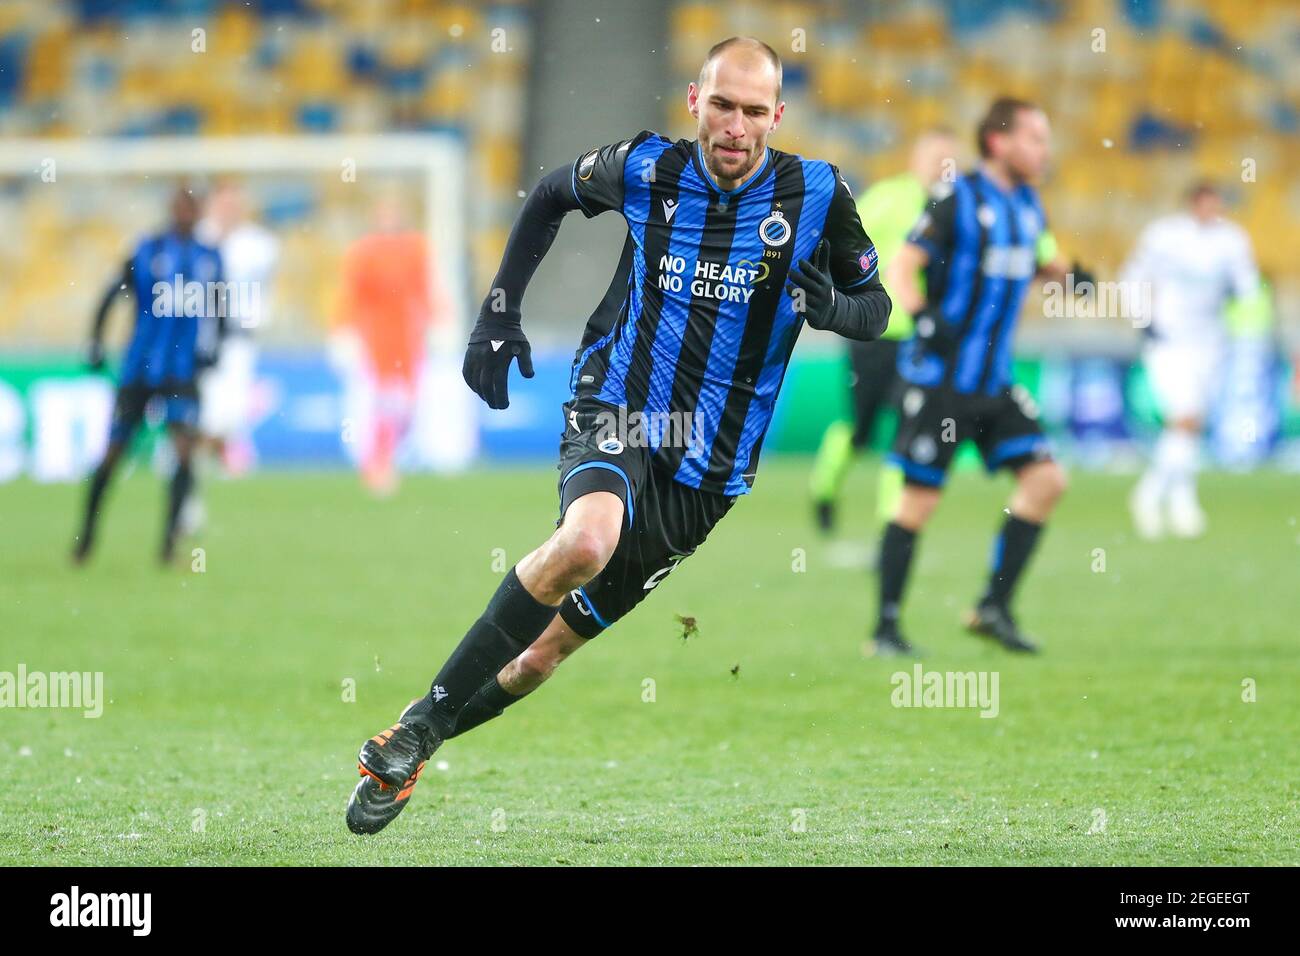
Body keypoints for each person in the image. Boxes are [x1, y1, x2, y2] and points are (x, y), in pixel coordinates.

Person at [345, 37, 892, 835]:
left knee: (539, 659)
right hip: (623, 401)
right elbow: (546, 196)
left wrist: (833, 309)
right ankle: (419, 729)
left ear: (777, 116)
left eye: (753, 112)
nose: (735, 127)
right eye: (722, 105)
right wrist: (499, 311)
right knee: (585, 542)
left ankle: (413, 742)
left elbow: (874, 307)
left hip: (713, 464)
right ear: (694, 102)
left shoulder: (817, 193)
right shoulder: (645, 167)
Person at [875, 97, 1085, 657]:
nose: (1044, 150)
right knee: (918, 502)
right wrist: (922, 318)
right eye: (1034, 138)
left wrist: (1073, 277)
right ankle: (886, 628)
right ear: (998, 142)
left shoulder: (1028, 204)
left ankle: (993, 607)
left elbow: (1031, 260)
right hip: (943, 381)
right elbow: (903, 265)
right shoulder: (956, 198)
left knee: (1046, 481)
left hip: (994, 381)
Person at [808, 128, 956, 536]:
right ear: (916, 161)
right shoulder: (889, 199)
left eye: (950, 160)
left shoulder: (956, 208)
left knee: (907, 430)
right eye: (936, 158)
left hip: (923, 338)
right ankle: (824, 486)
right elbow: (840, 240)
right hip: (875, 332)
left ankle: (893, 524)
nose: (943, 168)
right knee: (861, 429)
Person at [73, 185, 225, 565]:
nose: (186, 212)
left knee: (185, 453)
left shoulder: (210, 258)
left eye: (192, 206)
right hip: (139, 368)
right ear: (172, 208)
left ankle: (168, 546)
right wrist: (96, 341)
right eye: (180, 205)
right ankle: (86, 537)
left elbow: (222, 310)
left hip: (182, 370)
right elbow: (112, 295)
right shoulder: (147, 250)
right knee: (113, 452)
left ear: (200, 210)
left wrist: (214, 349)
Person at [1123, 181, 1262, 538]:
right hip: (1169, 340)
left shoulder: (1232, 240)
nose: (1212, 212)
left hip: (1210, 343)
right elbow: (1132, 278)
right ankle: (1156, 497)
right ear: (1192, 204)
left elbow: (1247, 287)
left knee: (1192, 422)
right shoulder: (1165, 236)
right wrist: (1143, 320)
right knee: (1183, 416)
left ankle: (1175, 498)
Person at [334, 196, 443, 495]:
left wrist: (436, 320)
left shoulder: (415, 248)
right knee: (381, 402)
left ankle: (392, 456)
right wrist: (344, 330)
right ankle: (378, 463)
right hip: (377, 338)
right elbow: (351, 294)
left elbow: (425, 290)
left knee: (406, 406)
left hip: (408, 338)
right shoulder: (364, 251)